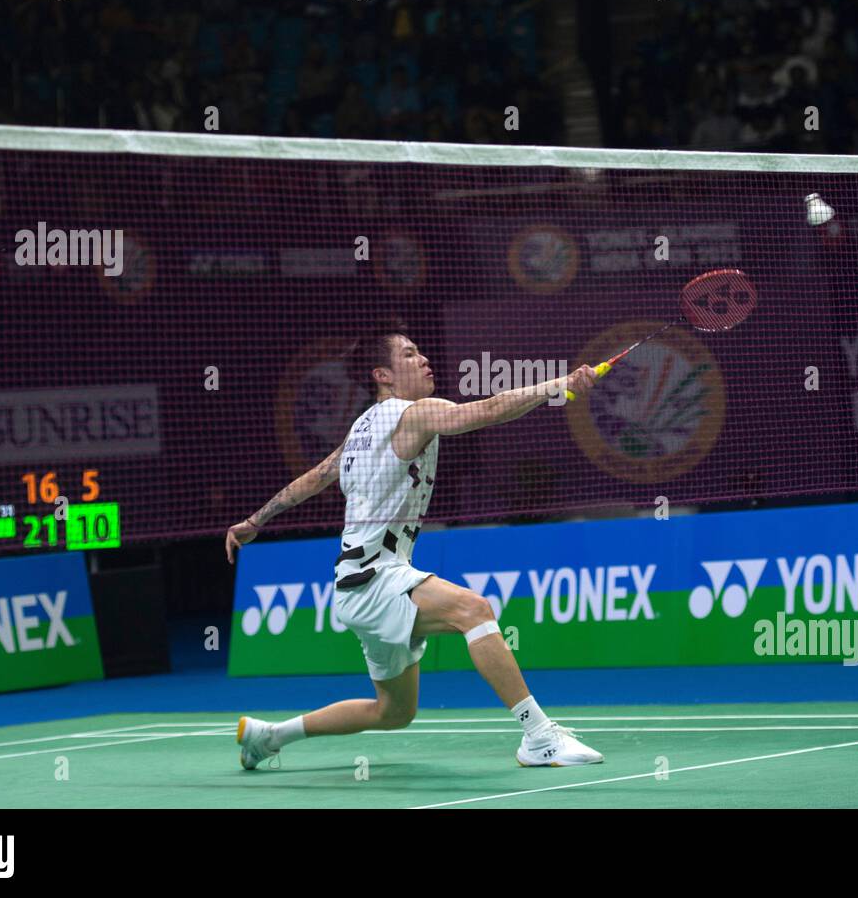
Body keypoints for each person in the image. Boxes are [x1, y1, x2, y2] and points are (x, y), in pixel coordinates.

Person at [226, 329, 604, 768]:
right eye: (409, 354)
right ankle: (539, 736)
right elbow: (487, 410)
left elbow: (315, 476)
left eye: (420, 351)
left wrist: (257, 520)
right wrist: (558, 385)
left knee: (393, 711)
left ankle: (269, 736)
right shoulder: (413, 415)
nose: (424, 359)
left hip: (359, 582)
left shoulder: (362, 427)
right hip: (375, 578)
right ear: (382, 374)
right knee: (474, 611)